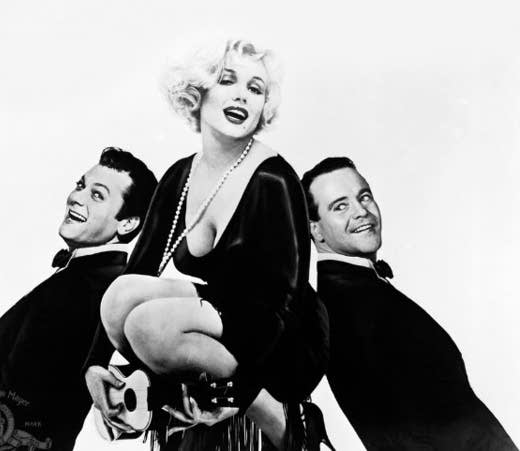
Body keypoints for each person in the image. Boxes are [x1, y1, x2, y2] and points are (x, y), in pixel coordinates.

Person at [84, 40, 329, 450]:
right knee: (119, 299)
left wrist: (241, 389)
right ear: (196, 93)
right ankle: (166, 394)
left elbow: (285, 304)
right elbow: (138, 270)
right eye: (227, 81)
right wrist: (93, 366)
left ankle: (274, 414)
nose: (242, 96)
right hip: (225, 315)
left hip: (283, 333)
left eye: (255, 88)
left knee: (148, 327)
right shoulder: (180, 176)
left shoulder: (274, 180)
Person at [0, 148, 157, 451]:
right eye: (80, 186)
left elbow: (26, 405)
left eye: (97, 195)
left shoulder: (87, 290)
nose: (76, 198)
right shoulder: (84, 281)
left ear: (127, 224)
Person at [301, 157, 518, 450]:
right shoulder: (350, 306)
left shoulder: (359, 291)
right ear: (315, 230)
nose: (361, 211)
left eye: (364, 197)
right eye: (340, 206)